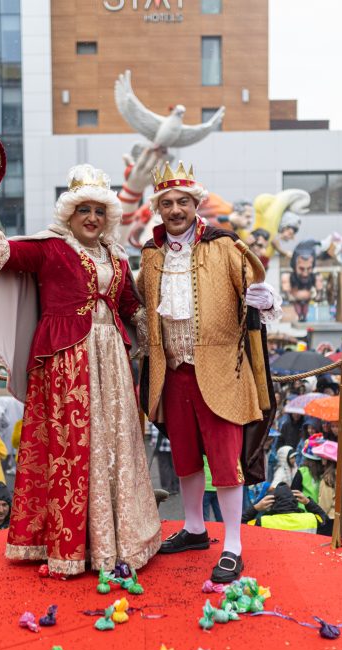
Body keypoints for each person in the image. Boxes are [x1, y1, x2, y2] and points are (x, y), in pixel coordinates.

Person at [0, 163, 161, 577]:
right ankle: (71, 548)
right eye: (84, 209)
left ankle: (116, 541)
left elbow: (129, 307)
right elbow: (6, 253)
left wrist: (167, 326)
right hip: (68, 363)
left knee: (114, 447)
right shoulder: (50, 248)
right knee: (71, 451)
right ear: (69, 213)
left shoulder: (116, 256)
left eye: (99, 211)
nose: (92, 218)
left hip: (114, 364)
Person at [137, 161, 278, 584]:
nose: (176, 209)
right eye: (167, 203)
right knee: (184, 457)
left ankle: (232, 543)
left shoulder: (226, 246)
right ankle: (196, 529)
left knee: (224, 459)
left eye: (183, 201)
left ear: (196, 204)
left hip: (221, 369)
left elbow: (260, 300)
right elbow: (143, 309)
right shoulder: (151, 255)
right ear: (158, 209)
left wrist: (264, 298)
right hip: (171, 369)